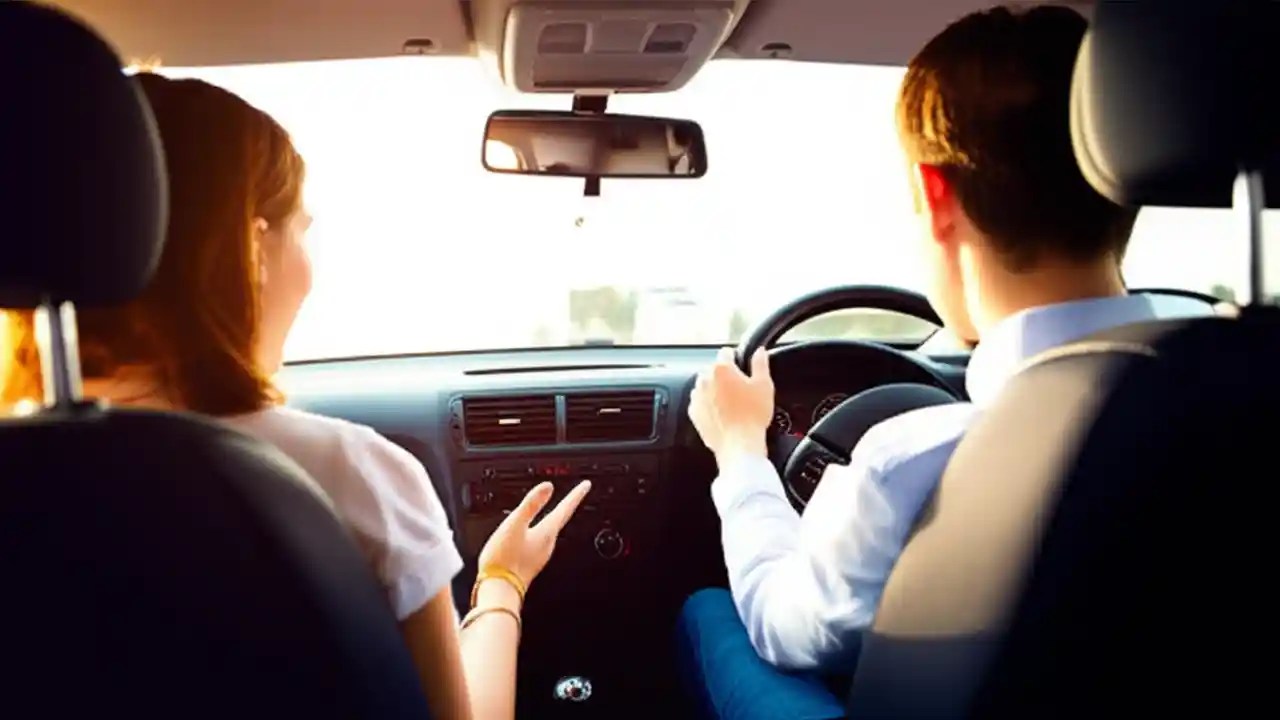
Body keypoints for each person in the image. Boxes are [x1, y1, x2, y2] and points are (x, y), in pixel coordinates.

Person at [0, 73, 588, 720]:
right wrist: (502, 585)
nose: (306, 265)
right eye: (299, 230)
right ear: (253, 247)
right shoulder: (357, 477)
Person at [677, 5, 1204, 718]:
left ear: (934, 193)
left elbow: (783, 622)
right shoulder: (1246, 394)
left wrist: (741, 453)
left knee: (712, 613)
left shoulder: (916, 462)